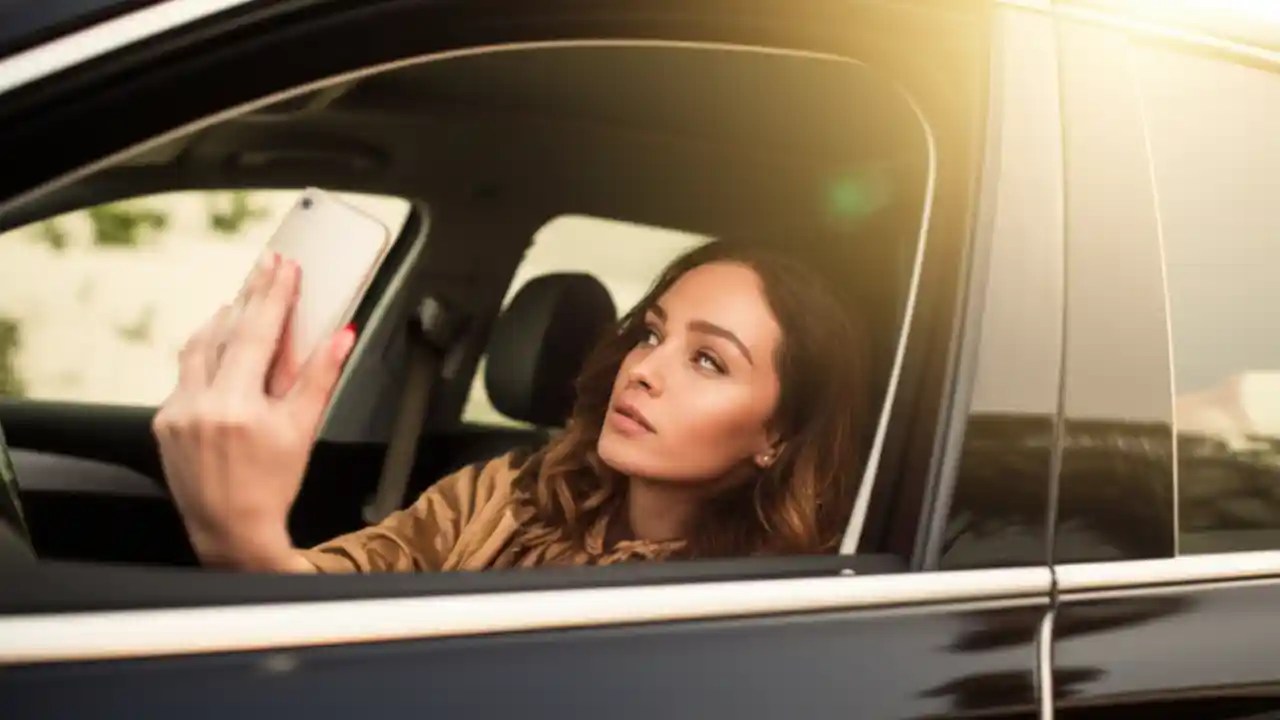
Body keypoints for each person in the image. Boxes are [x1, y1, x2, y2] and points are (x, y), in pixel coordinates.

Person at [152, 240, 873, 572]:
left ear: (776, 436)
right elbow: (341, 598)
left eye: (708, 360)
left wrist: (241, 544)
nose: (645, 369)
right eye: (651, 333)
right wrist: (252, 546)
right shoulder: (504, 495)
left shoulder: (761, 603)